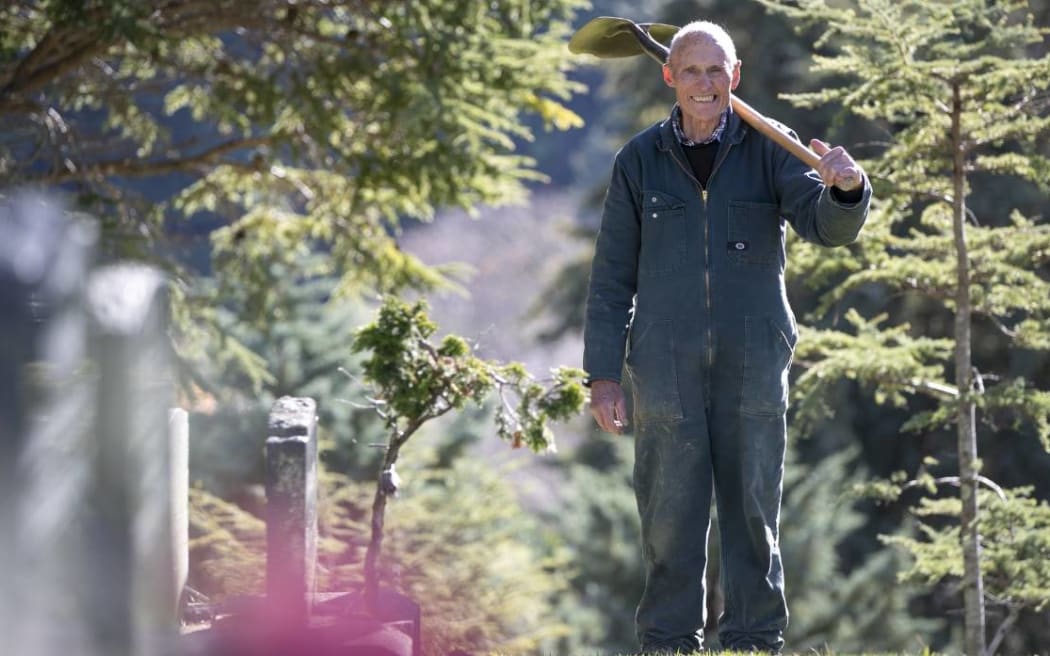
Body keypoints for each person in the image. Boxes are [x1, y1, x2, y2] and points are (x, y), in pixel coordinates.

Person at [582, 20, 870, 654]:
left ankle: (752, 644)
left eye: (717, 71)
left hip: (753, 367)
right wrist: (603, 374)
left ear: (735, 77)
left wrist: (847, 191)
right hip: (665, 371)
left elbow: (826, 227)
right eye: (692, 70)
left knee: (753, 521)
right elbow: (609, 279)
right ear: (670, 78)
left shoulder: (773, 149)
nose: (705, 83)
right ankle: (669, 645)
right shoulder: (639, 162)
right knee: (668, 523)